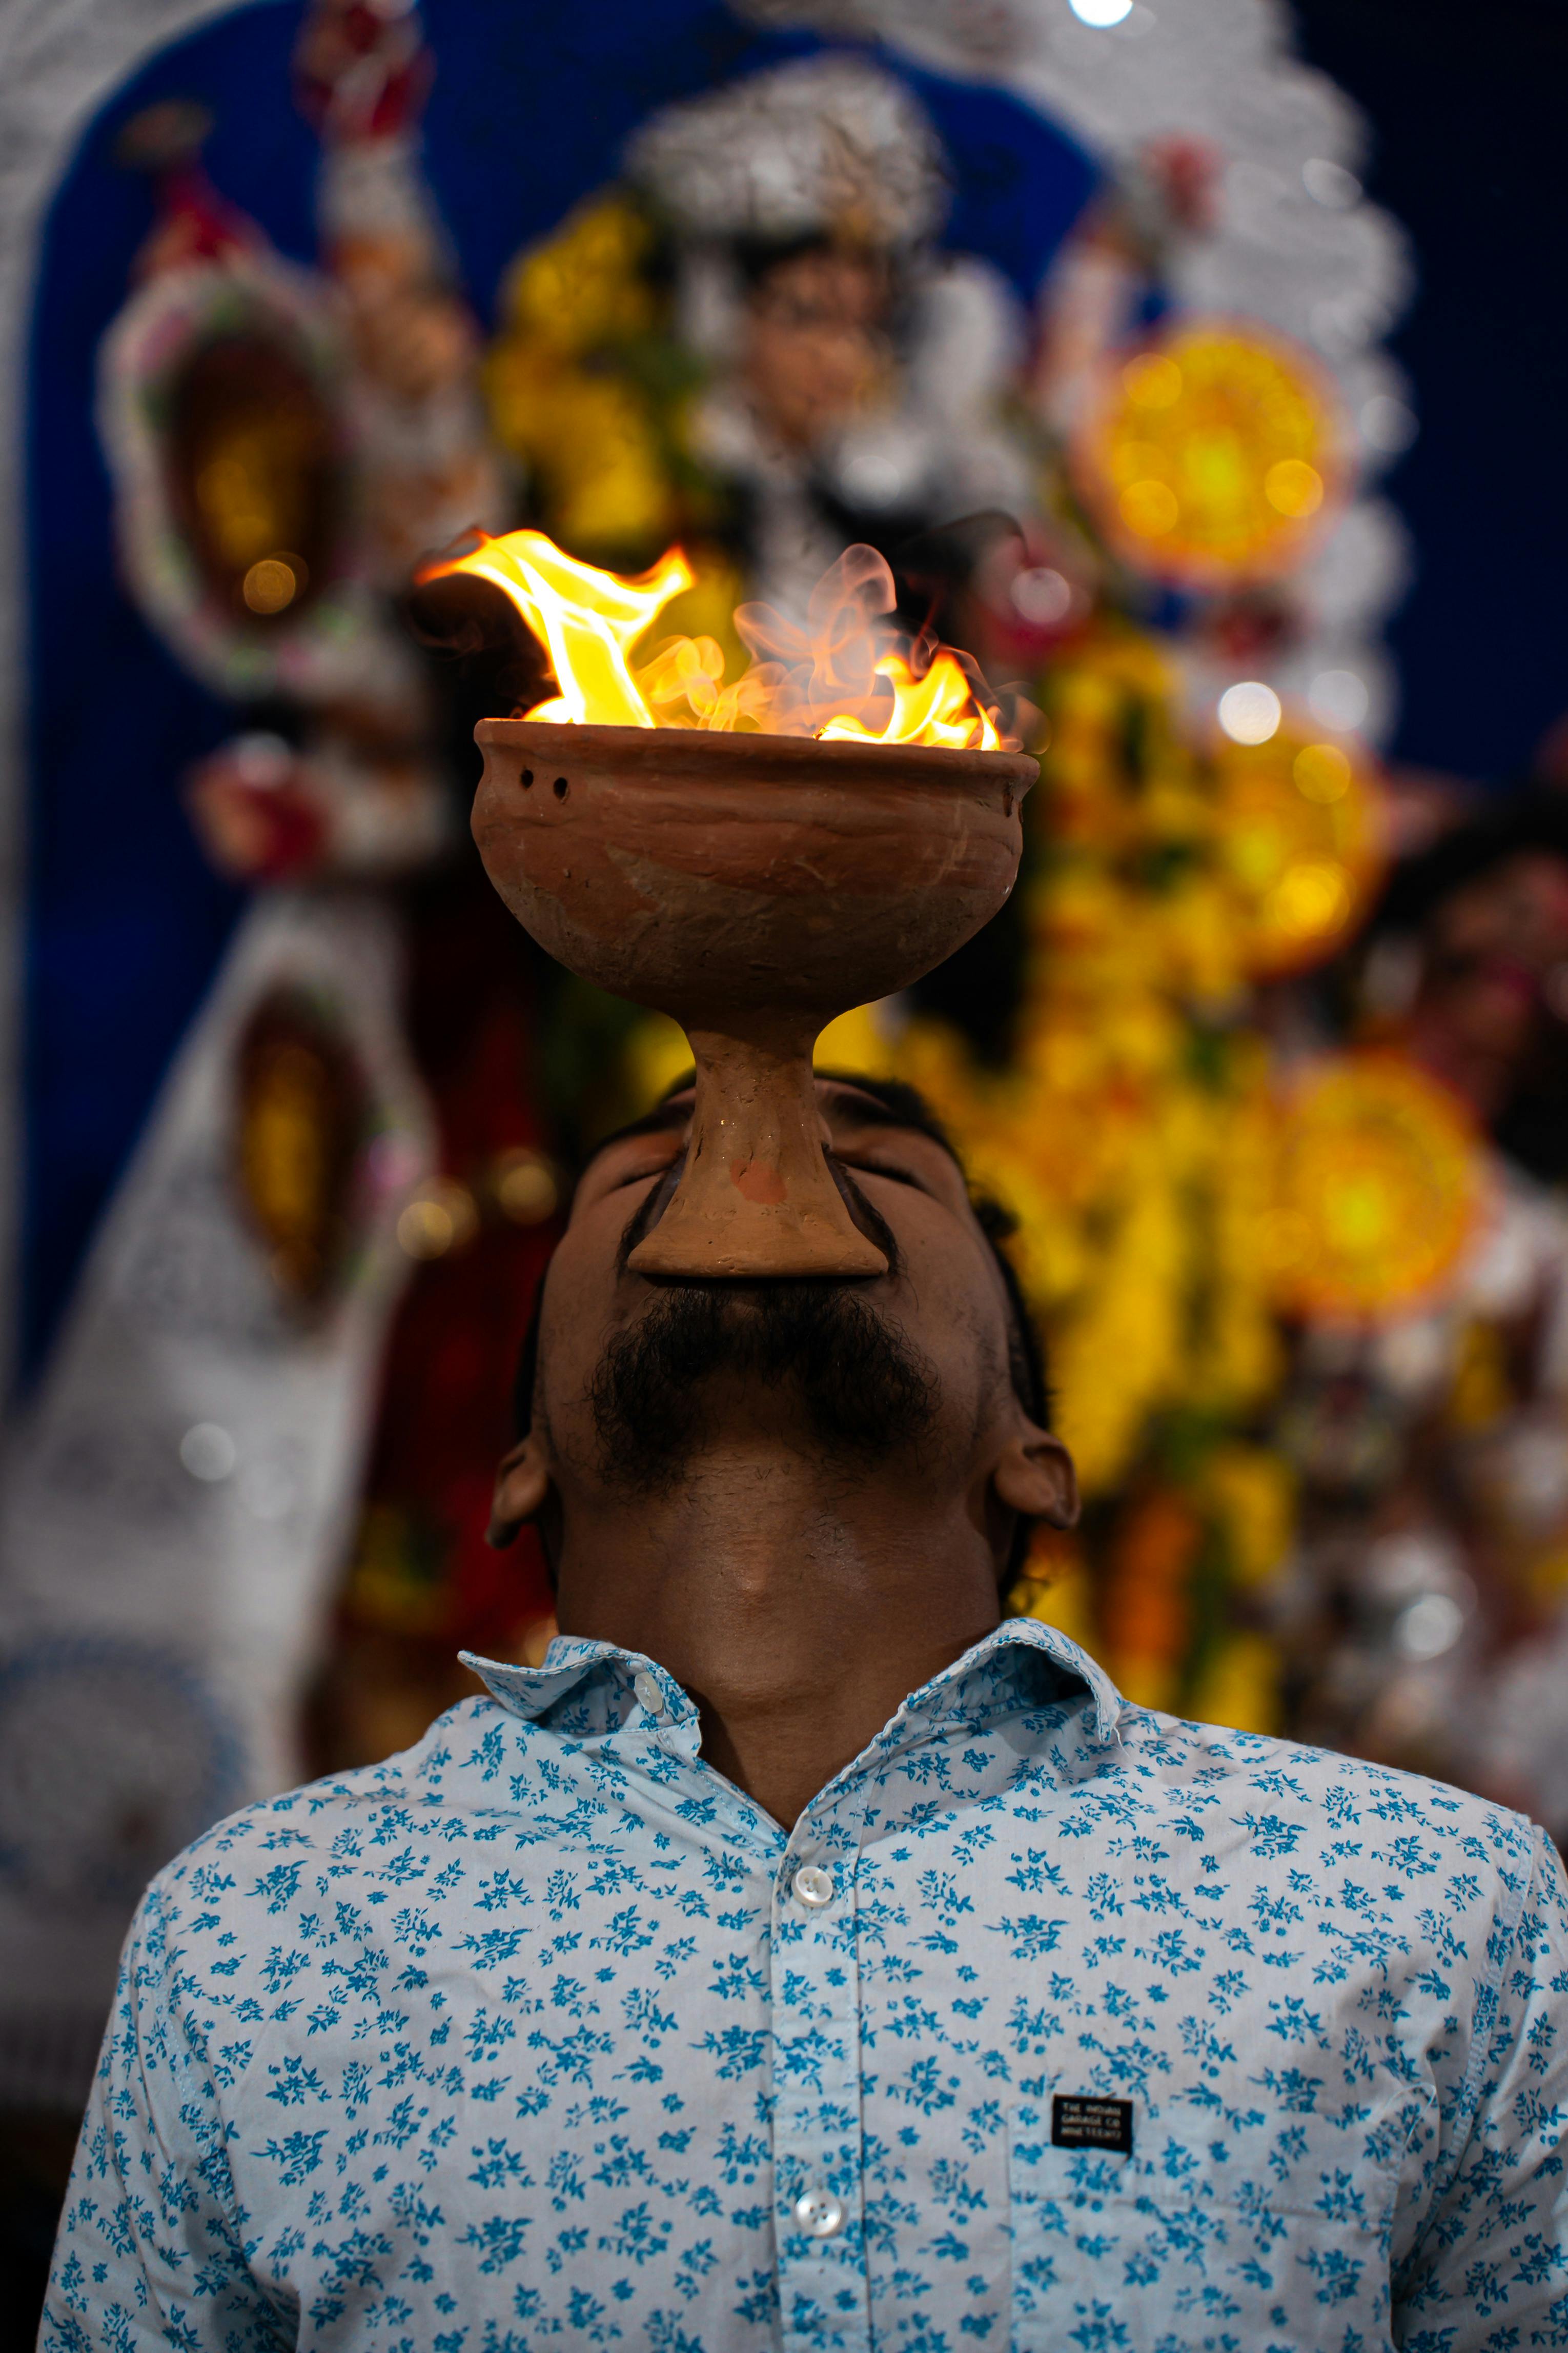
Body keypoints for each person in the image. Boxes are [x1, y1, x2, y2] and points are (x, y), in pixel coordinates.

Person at [42, 1073, 1568, 2347]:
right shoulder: (257, 1937)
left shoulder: (1418, 1905)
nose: (753, 1159)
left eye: (868, 1161)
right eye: (655, 1166)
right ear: (518, 1467)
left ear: (1038, 1452)